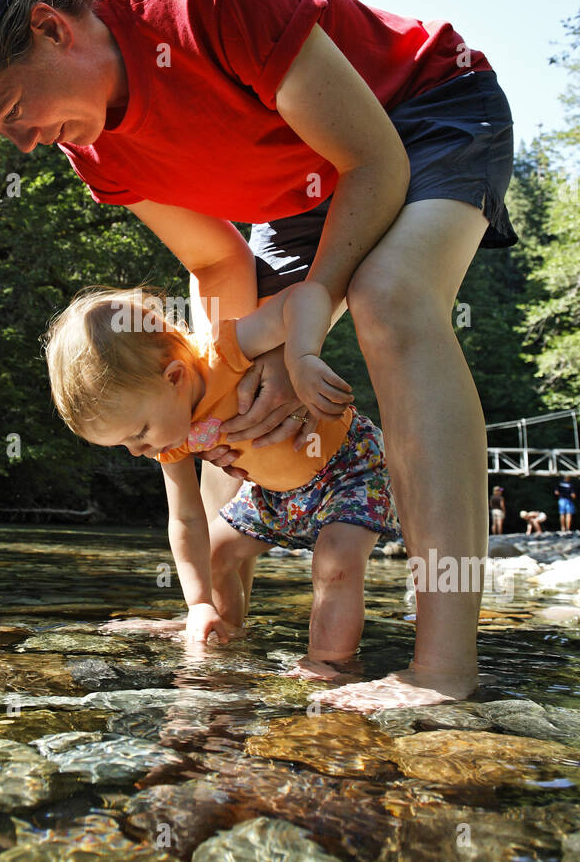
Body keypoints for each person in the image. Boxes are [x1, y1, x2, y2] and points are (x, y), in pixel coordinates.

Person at [0, 0, 519, 710]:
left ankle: (444, 668)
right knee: (229, 397)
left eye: (14, 110)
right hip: (301, 194)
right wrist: (253, 371)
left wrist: (307, 320)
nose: (22, 143)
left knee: (387, 302)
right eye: (1, 133)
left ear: (52, 28)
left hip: (423, 117)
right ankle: (220, 616)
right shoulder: (93, 149)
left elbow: (374, 162)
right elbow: (218, 263)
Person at [44, 285, 400, 681]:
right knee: (215, 556)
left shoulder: (225, 353)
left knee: (335, 564)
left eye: (140, 433)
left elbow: (305, 297)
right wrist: (198, 605)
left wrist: (299, 357)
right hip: (274, 496)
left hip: (347, 469)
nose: (138, 451)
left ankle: (328, 664)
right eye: (125, 444)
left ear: (175, 377)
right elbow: (186, 520)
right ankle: (225, 629)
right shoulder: (169, 441)